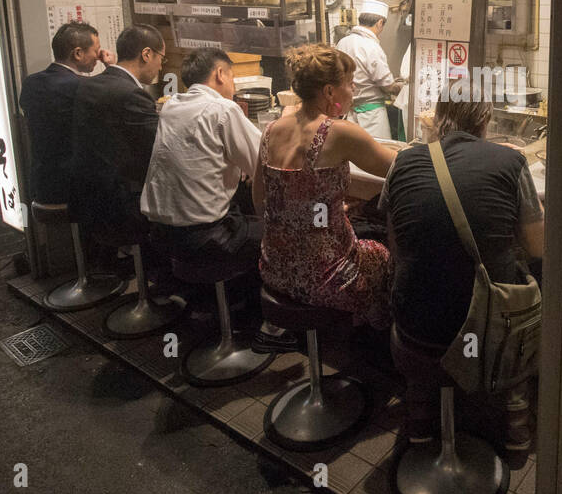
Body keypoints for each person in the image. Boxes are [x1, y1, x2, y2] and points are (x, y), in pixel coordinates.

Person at [379, 94, 544, 452]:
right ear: (484, 123)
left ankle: (420, 418)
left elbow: (397, 245)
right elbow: (537, 247)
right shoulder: (512, 162)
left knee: (421, 284)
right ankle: (516, 421)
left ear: (436, 120)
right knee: (519, 297)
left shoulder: (402, 162)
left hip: (415, 330)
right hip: (488, 338)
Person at [140, 47, 293, 351]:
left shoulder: (172, 106)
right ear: (220, 74)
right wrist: (287, 121)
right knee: (285, 233)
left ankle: (229, 307)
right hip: (204, 239)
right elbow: (263, 164)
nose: (234, 85)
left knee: (246, 216)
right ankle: (273, 329)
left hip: (158, 235)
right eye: (233, 76)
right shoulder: (223, 110)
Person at [254, 43, 396, 330]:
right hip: (325, 276)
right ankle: (376, 349)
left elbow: (261, 202)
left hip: (274, 268)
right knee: (385, 257)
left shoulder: (271, 131)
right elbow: (401, 165)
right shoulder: (340, 132)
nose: (354, 89)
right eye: (350, 83)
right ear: (330, 91)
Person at [69, 25, 164, 233]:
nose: (160, 66)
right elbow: (160, 148)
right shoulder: (132, 95)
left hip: (90, 199)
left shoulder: (90, 85)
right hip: (122, 206)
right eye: (161, 58)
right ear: (146, 54)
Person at [18, 20, 115, 206]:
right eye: (96, 50)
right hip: (75, 188)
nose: (98, 56)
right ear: (78, 53)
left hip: (42, 182)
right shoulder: (81, 87)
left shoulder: (31, 83)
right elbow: (112, 96)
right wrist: (112, 68)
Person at [336, 0, 405, 140]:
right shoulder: (372, 47)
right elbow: (387, 85)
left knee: (353, 158)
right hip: (372, 117)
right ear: (380, 23)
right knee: (377, 156)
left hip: (349, 113)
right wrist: (400, 87)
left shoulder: (342, 42)